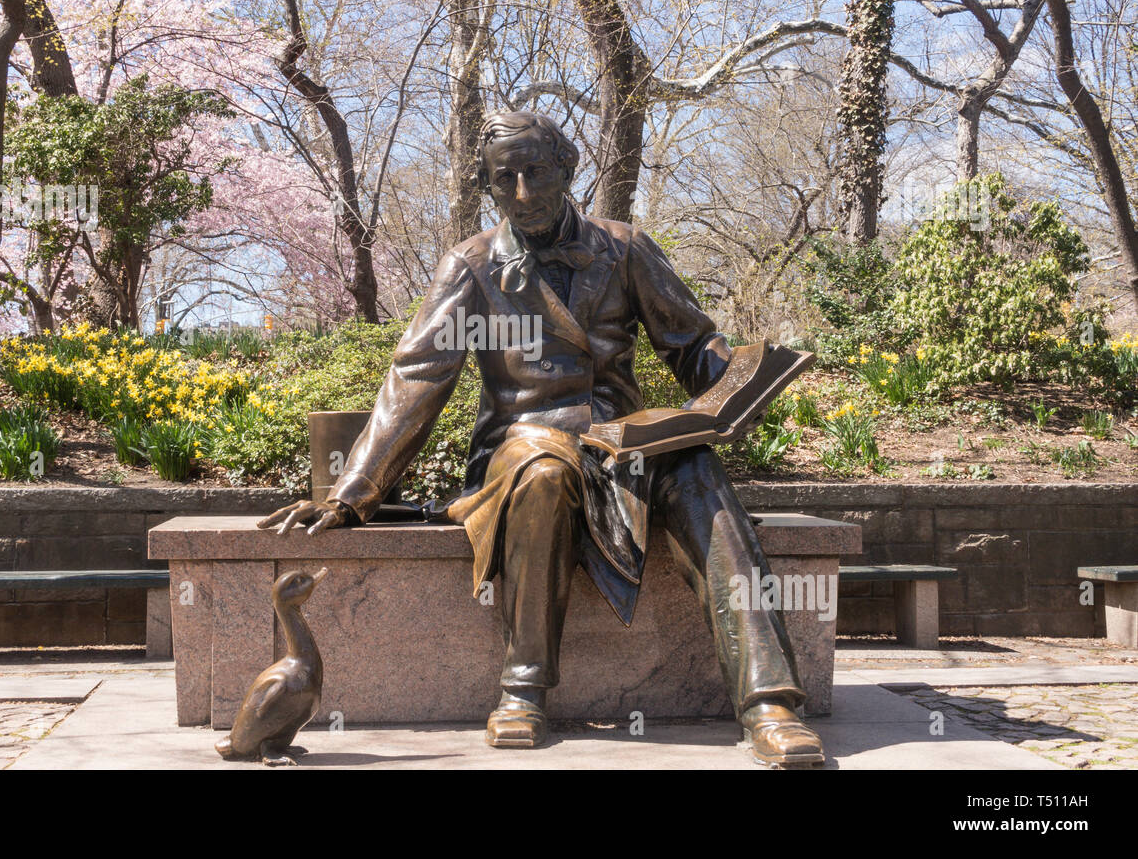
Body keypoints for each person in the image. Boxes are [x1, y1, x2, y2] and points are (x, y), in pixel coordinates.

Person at [261, 110, 824, 766]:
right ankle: (523, 688)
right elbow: (417, 377)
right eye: (505, 180)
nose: (522, 193)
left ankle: (769, 703)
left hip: (622, 443)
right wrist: (352, 493)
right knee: (546, 471)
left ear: (567, 169)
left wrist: (737, 386)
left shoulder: (624, 249)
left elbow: (693, 342)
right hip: (523, 445)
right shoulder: (470, 266)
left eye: (534, 173)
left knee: (696, 470)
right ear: (489, 187)